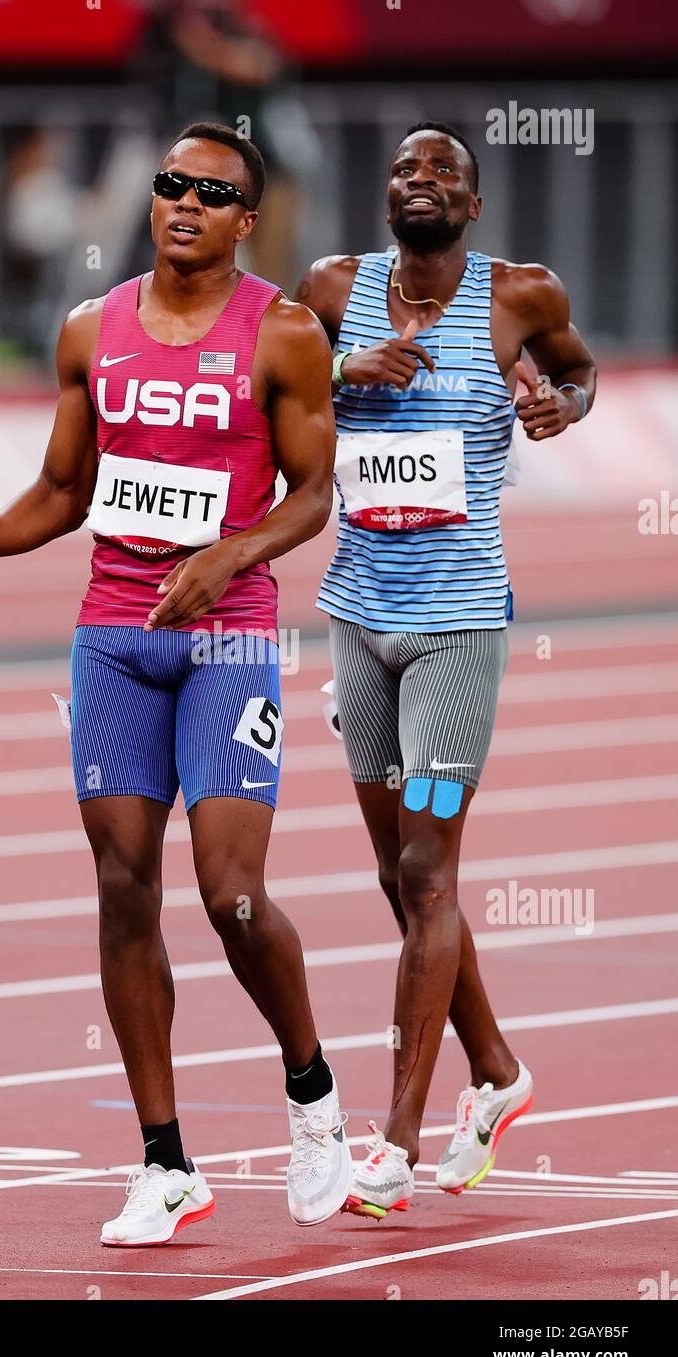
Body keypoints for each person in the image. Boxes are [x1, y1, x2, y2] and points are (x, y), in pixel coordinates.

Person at [0, 121, 353, 1247]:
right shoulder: (92, 329)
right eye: (169, 184)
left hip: (226, 637)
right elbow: (60, 492)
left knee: (229, 890)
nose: (181, 203)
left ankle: (312, 1094)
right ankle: (165, 1160)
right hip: (113, 635)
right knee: (125, 889)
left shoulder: (280, 334)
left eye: (209, 193)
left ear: (244, 218)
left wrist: (227, 554)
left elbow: (313, 492)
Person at [296, 122, 596, 1218]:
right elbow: (267, 382)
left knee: (427, 870)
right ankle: (500, 1075)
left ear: (471, 208)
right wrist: (341, 367)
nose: (418, 180)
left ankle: (398, 1141)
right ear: (384, 198)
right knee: (397, 877)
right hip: (355, 621)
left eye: (444, 173)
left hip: (455, 633)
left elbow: (578, 369)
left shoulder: (519, 295)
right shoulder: (332, 287)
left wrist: (563, 405)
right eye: (403, 169)